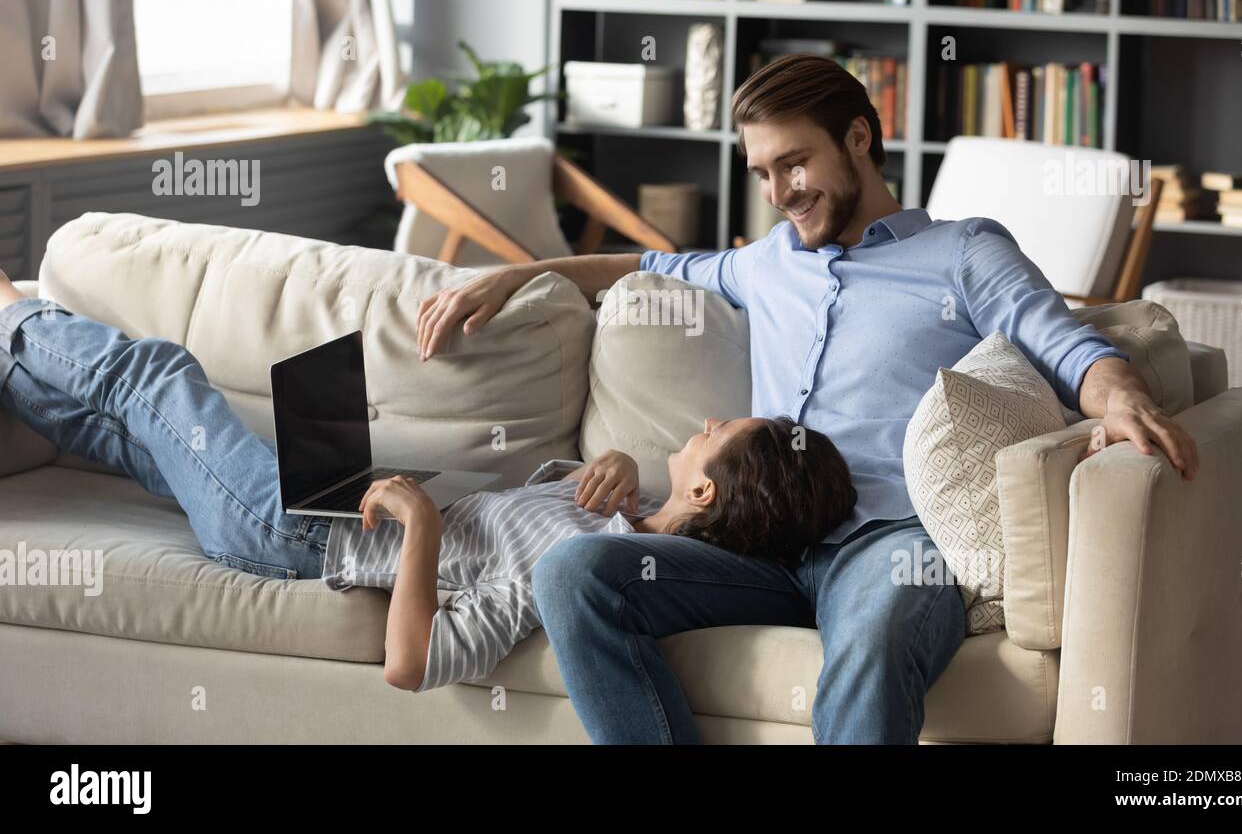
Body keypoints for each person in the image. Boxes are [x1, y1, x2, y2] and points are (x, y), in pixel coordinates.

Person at [412, 53, 1201, 744]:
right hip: (754, 549)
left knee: (880, 631)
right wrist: (513, 275)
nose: (780, 191)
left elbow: (1064, 343)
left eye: (794, 163)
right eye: (761, 172)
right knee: (574, 573)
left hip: (887, 544)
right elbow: (642, 264)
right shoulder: (764, 263)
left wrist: (1122, 400)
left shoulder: (962, 253)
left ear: (859, 137)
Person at [0, 270, 855, 692]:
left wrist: (422, 525)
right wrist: (616, 471)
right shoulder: (618, 518)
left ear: (706, 493)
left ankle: (11, 310)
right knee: (125, 437)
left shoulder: (584, 566)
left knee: (158, 381)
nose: (704, 424)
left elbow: (412, 663)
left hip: (292, 532)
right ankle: (11, 360)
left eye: (718, 434)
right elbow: (538, 514)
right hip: (340, 498)